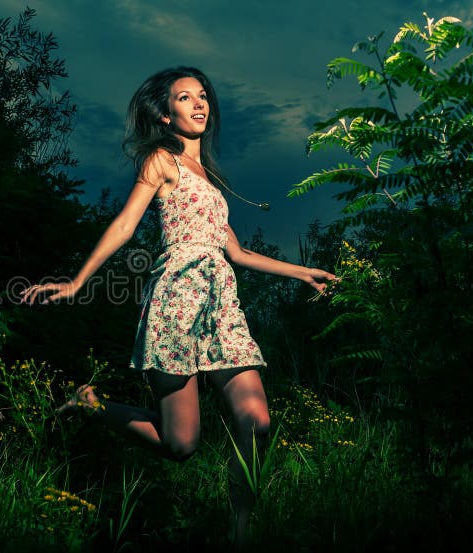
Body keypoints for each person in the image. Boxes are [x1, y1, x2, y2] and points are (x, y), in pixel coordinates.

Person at [21, 66, 336, 548]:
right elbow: (126, 225)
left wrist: (302, 271)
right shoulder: (160, 161)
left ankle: (240, 532)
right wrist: (76, 281)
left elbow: (238, 254)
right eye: (185, 98)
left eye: (203, 95)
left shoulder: (209, 179)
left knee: (257, 421)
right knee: (181, 445)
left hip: (222, 306)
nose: (199, 103)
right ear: (166, 115)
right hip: (177, 302)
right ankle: (93, 404)